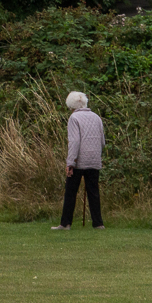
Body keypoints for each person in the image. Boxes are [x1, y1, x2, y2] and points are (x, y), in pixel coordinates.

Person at [53, 90, 104, 230]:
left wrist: (70, 163)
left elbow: (74, 142)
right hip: (94, 160)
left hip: (79, 162)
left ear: (71, 104)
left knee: (71, 192)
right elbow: (102, 141)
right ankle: (98, 223)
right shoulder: (96, 117)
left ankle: (65, 223)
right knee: (93, 192)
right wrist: (96, 155)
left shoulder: (74, 118)